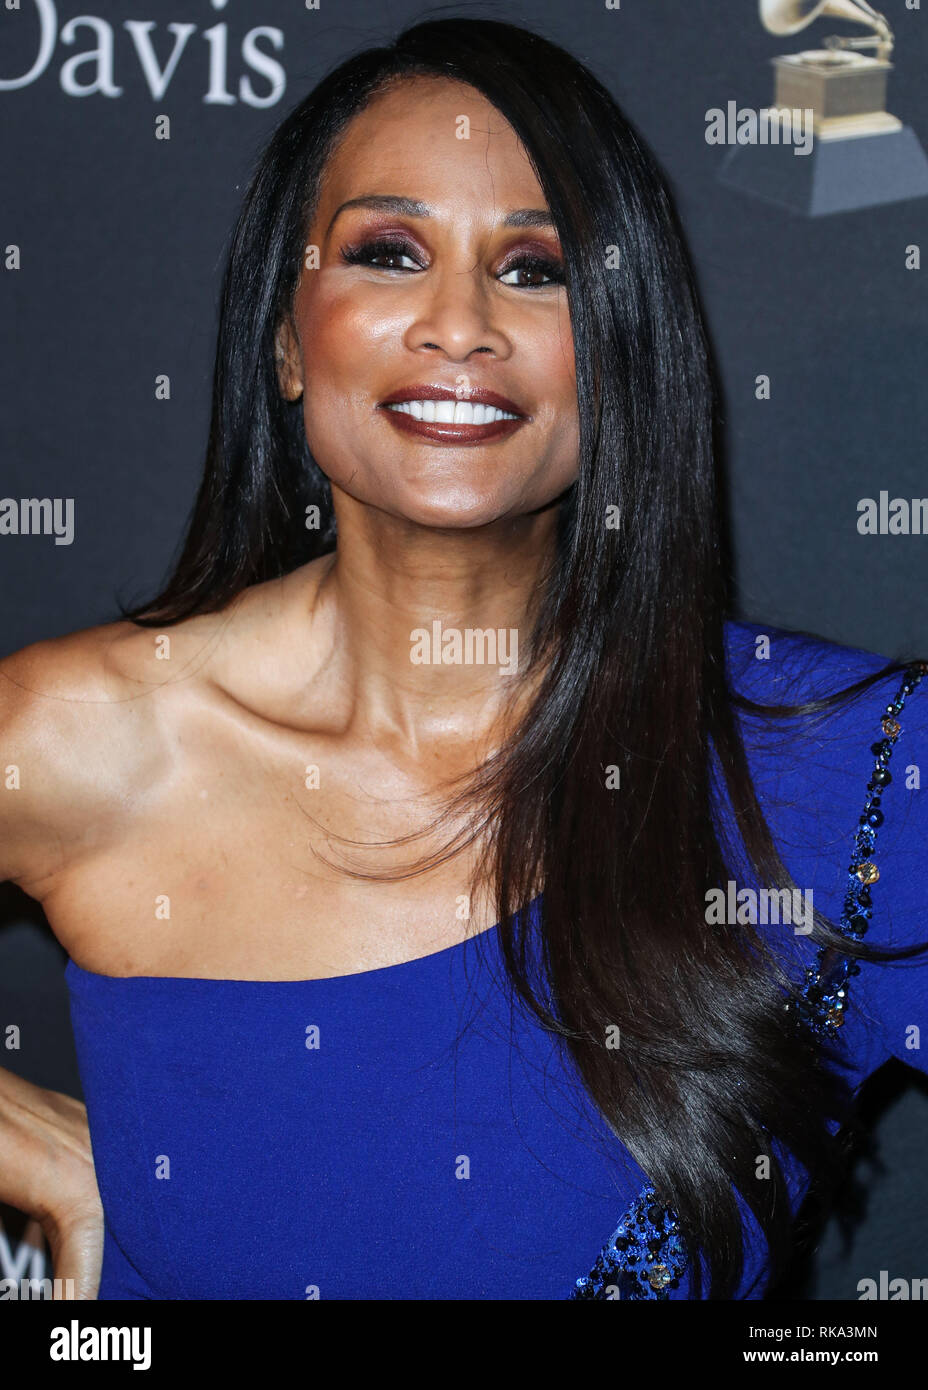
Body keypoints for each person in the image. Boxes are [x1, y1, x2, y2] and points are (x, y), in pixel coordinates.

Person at [0, 17, 925, 1301]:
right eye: (389, 252)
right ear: (286, 335)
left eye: (535, 270)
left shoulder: (849, 767)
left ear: (618, 351)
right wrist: (28, 1139)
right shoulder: (85, 737)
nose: (459, 323)